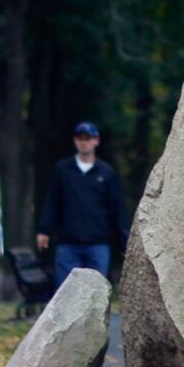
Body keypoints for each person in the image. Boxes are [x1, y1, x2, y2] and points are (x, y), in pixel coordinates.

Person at [35, 122, 127, 289]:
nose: (84, 142)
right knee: (66, 292)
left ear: (96, 141)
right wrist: (44, 230)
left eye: (88, 138)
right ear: (75, 141)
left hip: (98, 243)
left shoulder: (106, 173)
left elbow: (116, 208)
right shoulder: (63, 170)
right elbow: (52, 202)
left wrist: (124, 240)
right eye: (80, 138)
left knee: (96, 291)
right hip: (68, 243)